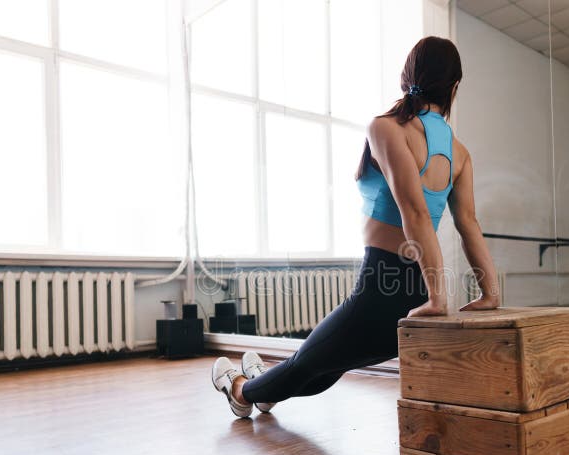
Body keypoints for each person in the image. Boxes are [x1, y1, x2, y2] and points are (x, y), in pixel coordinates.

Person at [212, 36, 500, 418]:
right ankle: (267, 391)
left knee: (307, 362)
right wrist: (490, 292)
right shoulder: (460, 153)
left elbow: (413, 211)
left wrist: (438, 299)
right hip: (412, 287)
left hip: (380, 288)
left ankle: (241, 391)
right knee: (326, 364)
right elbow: (469, 225)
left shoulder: (386, 128)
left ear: (406, 76)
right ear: (454, 86)